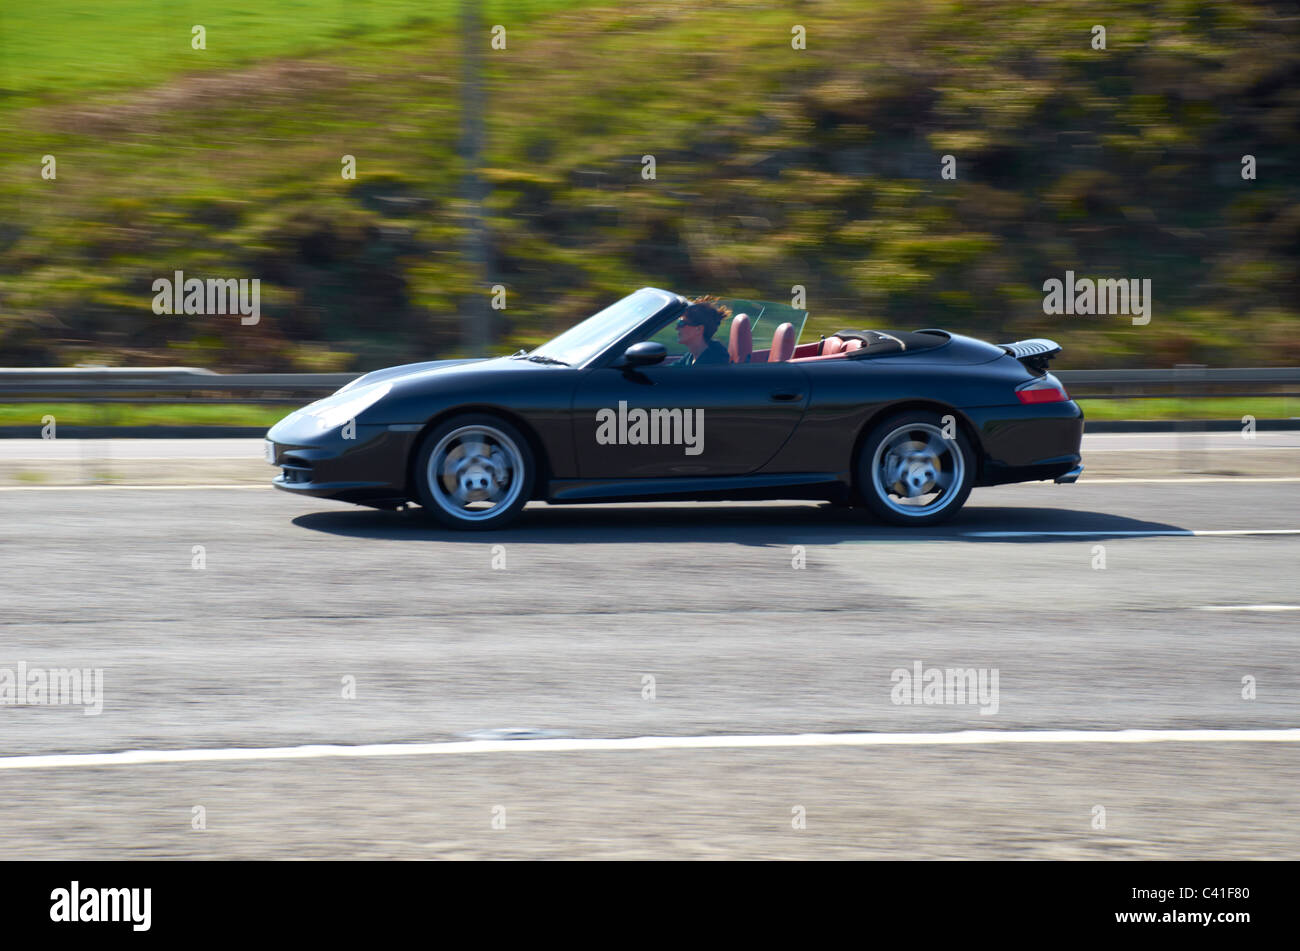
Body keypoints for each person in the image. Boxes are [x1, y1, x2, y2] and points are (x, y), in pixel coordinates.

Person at [672, 296, 732, 366]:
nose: (676, 328)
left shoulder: (712, 362)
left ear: (699, 329)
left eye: (681, 323)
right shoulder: (693, 355)